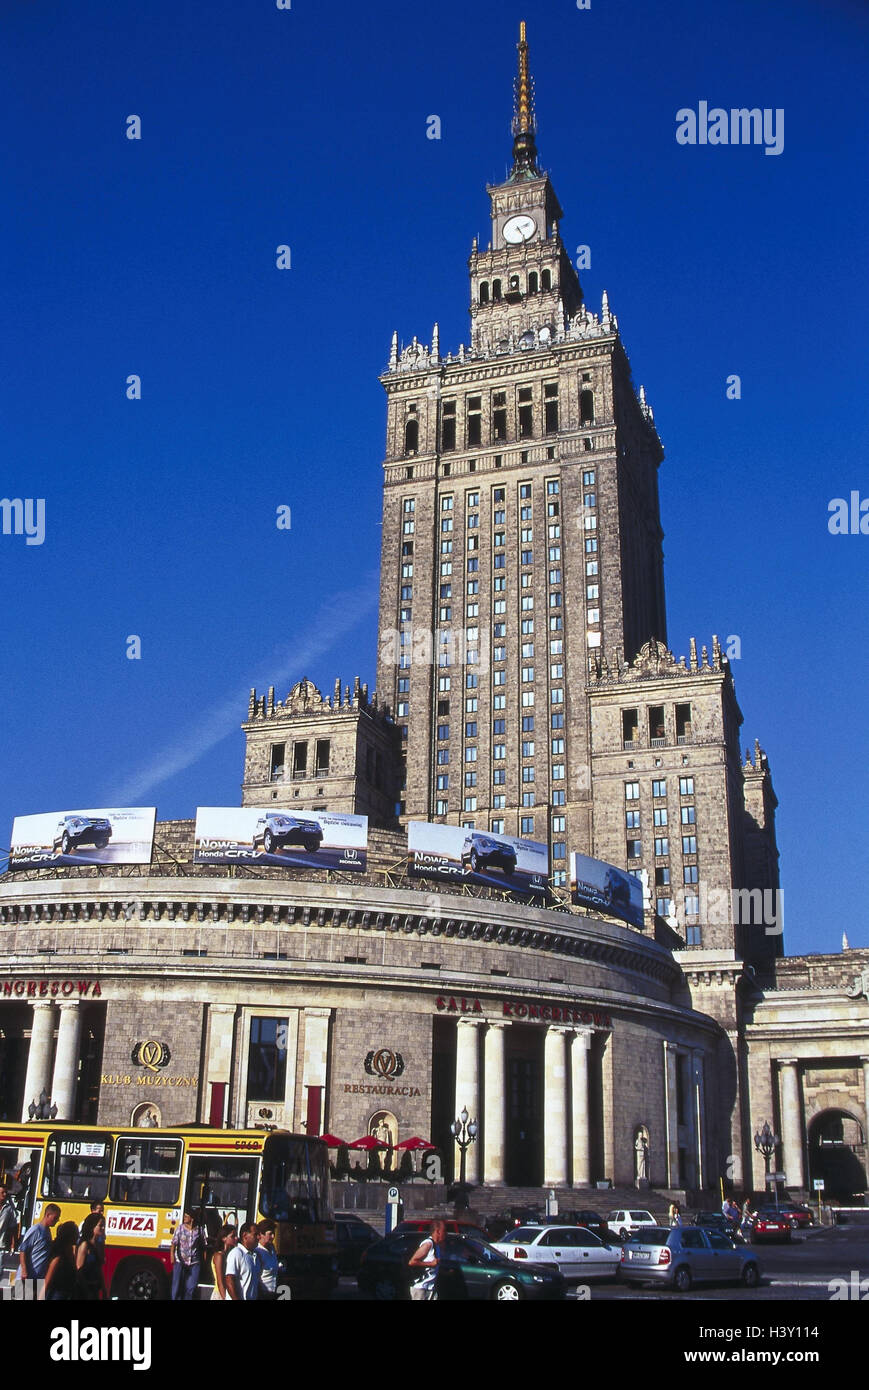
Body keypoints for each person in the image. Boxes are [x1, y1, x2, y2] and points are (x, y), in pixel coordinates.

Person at [19, 1204, 61, 1283]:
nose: (57, 1220)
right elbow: (23, 1250)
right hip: (27, 1277)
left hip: (38, 1277)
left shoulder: (47, 1231)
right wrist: (24, 1270)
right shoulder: (35, 1230)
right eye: (55, 1218)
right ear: (48, 1215)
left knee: (34, 1295)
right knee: (22, 1295)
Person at [170, 1210, 205, 1301]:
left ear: (192, 1218)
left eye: (186, 1216)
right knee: (177, 1286)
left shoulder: (199, 1230)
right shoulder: (180, 1228)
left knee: (191, 1287)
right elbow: (174, 1243)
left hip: (194, 1262)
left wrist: (203, 1260)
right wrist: (172, 1256)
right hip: (180, 1261)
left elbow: (203, 1245)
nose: (184, 1218)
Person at [41, 1221, 79, 1301]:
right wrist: (41, 1296)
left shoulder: (69, 1250)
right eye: (76, 1233)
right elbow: (49, 1276)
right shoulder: (60, 1253)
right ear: (70, 1236)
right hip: (57, 1292)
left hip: (64, 1293)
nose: (78, 1236)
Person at [408, 1219, 445, 1299]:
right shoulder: (428, 1244)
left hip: (430, 1288)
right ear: (438, 1231)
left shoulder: (437, 1246)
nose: (446, 1234)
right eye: (444, 1231)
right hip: (420, 1288)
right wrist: (430, 1264)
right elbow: (412, 1262)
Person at [225, 1223, 261, 1301]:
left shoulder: (255, 1257)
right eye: (255, 1234)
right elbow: (229, 1281)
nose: (259, 1237)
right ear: (245, 1236)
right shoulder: (236, 1253)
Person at [76, 1213, 108, 1300]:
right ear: (92, 1226)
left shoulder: (99, 1245)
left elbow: (99, 1268)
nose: (103, 1228)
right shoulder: (84, 1245)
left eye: (104, 1226)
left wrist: (104, 1289)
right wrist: (86, 1291)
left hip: (95, 1288)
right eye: (100, 1226)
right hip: (84, 1290)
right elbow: (79, 1269)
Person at [255, 1220, 279, 1299]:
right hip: (262, 1295)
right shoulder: (257, 1252)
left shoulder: (272, 1248)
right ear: (261, 1234)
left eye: (273, 1233)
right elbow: (256, 1279)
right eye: (270, 1234)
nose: (273, 1236)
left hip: (273, 1294)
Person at [0, 1185, 18, 1254]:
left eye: (5, 1192)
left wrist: (13, 1245)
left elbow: (13, 1228)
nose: (4, 1194)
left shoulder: (8, 1209)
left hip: (1, 1245)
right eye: (2, 1192)